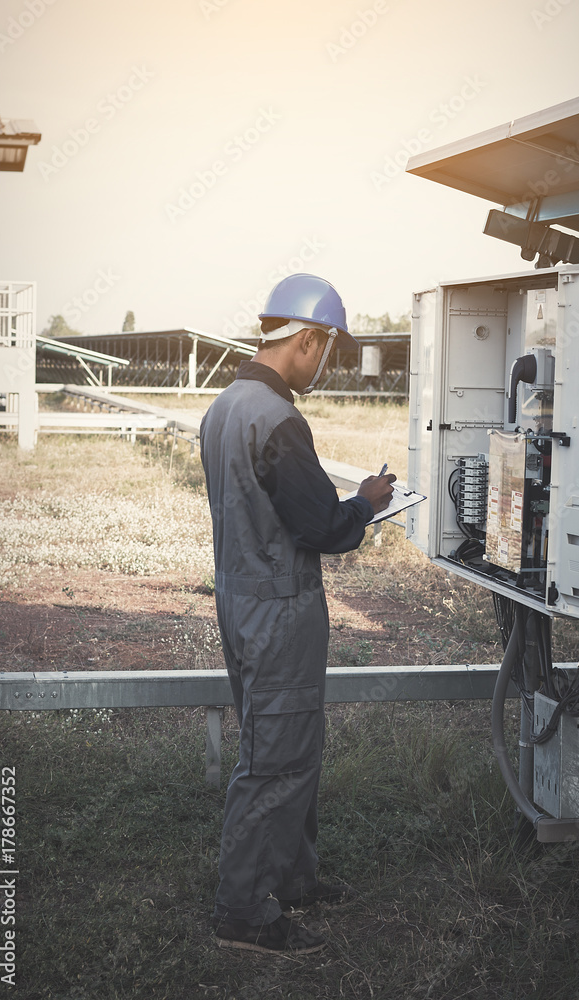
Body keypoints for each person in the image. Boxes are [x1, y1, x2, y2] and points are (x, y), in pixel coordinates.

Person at [200, 273, 395, 955]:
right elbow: (321, 527)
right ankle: (243, 912)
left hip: (241, 597)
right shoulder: (278, 417)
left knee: (286, 745)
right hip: (278, 611)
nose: (324, 364)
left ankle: (291, 877)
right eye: (327, 350)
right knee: (275, 759)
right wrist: (367, 501)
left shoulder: (225, 404)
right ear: (307, 340)